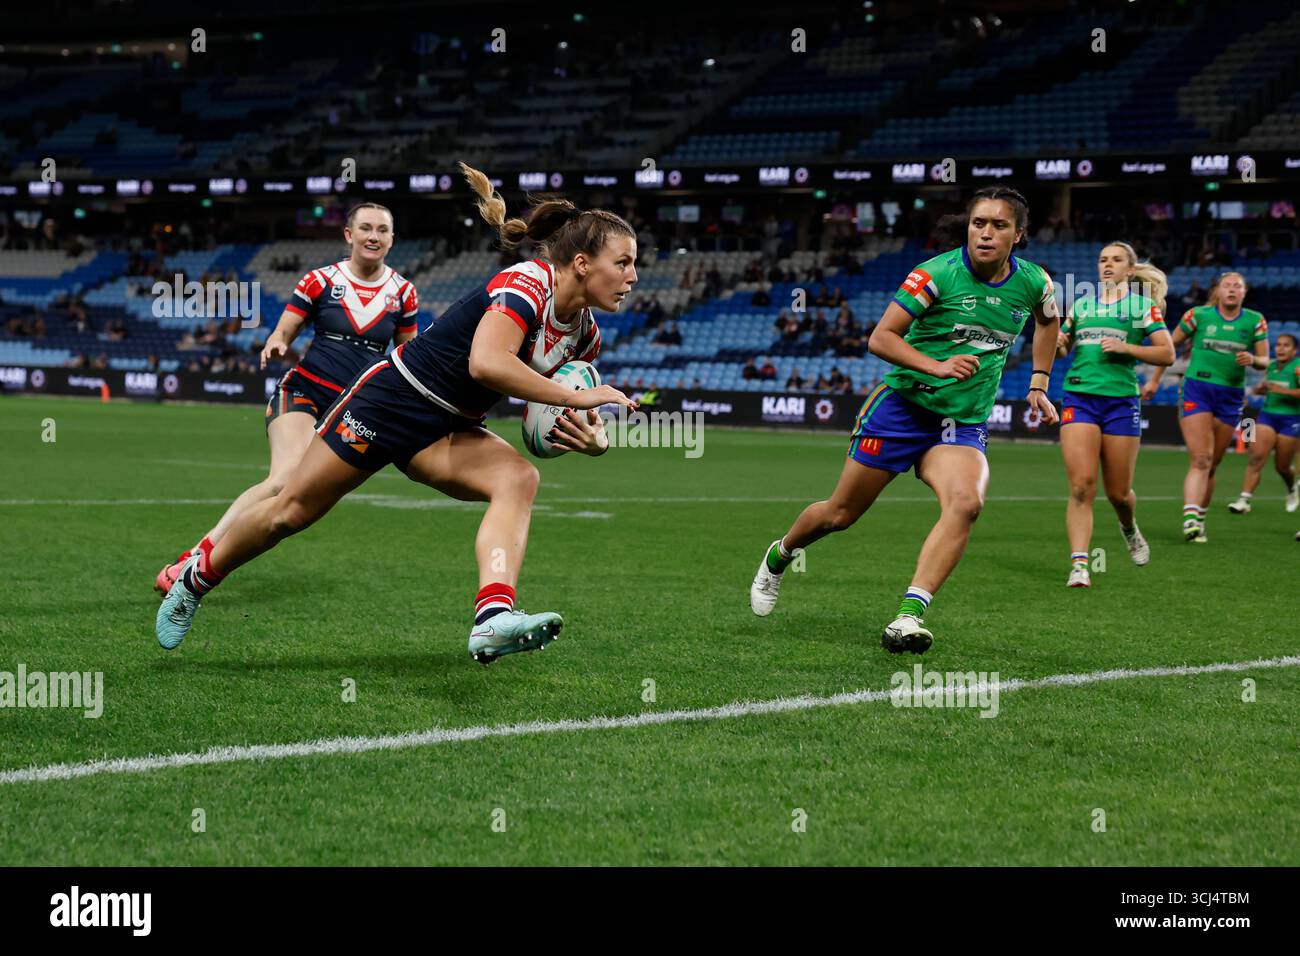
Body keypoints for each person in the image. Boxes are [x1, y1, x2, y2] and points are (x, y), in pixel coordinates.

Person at [156, 164, 637, 664]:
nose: (633, 276)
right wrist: (580, 400)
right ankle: (196, 579)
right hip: (393, 398)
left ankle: (492, 618)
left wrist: (590, 438)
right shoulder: (527, 282)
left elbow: (543, 416)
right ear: (582, 263)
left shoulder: (585, 336)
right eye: (623, 262)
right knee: (290, 510)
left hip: (450, 427)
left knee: (520, 478)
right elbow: (488, 362)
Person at [749, 186, 1060, 653]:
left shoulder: (1036, 282)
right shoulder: (935, 274)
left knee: (966, 504)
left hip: (960, 423)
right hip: (901, 409)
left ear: (1019, 234)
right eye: (979, 223)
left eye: (999, 225)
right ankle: (781, 553)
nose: (987, 233)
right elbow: (881, 338)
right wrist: (936, 366)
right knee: (839, 515)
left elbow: (1048, 322)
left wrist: (1039, 381)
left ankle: (908, 617)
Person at [154, 203, 420, 593]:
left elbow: (406, 358)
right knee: (283, 480)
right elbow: (285, 330)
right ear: (349, 235)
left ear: (392, 239)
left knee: (302, 501)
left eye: (382, 230)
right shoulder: (320, 281)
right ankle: (195, 558)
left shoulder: (404, 294)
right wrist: (277, 343)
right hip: (302, 393)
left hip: (351, 410)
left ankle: (208, 562)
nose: (373, 236)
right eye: (365, 228)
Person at [1055, 242, 1175, 587]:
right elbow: (1063, 349)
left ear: (1130, 270)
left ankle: (1128, 527)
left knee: (1119, 493)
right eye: (1103, 260)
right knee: (1081, 486)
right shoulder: (1081, 305)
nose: (1108, 265)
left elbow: (1166, 353)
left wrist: (1126, 348)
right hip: (1079, 397)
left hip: (1121, 403)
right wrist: (1059, 342)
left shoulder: (1142, 307)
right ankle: (1080, 564)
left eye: (1116, 260)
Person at [1143, 272, 1270, 542]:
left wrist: (1254, 360)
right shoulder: (1197, 316)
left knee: (1212, 464)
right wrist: (1154, 380)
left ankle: (1199, 518)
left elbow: (1265, 361)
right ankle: (1190, 516)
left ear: (1244, 292)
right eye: (1228, 285)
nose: (1233, 290)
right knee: (1201, 458)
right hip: (1197, 390)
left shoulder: (1255, 321)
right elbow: (1167, 346)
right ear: (1218, 291)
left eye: (1238, 286)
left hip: (1231, 396)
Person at [1228, 332, 1300, 514]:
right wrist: (1258, 390)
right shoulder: (1272, 366)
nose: (1281, 348)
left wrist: (1278, 390)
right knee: (1256, 456)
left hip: (1292, 419)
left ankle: (1292, 488)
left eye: (1286, 345)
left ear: (1295, 350)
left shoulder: (1298, 367)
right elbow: (1267, 388)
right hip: (1268, 415)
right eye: (1278, 345)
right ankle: (1244, 500)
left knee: (1282, 465)